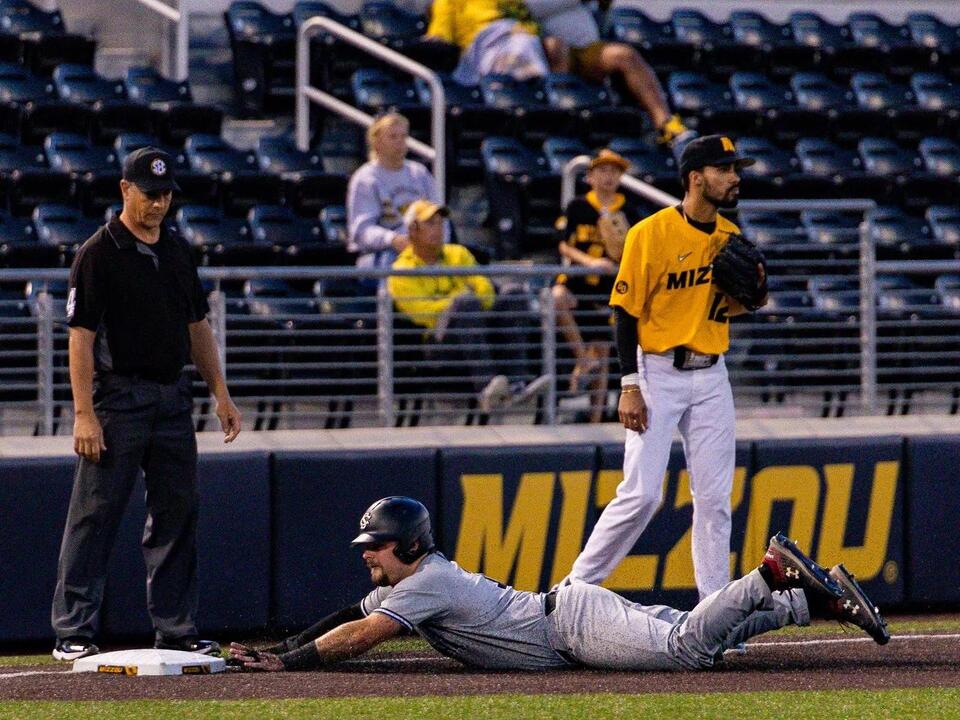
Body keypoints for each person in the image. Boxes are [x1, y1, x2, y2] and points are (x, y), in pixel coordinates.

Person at [227, 496, 889, 673]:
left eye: (374, 546)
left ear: (403, 545)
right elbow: (350, 613)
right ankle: (808, 599)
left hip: (569, 626)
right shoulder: (412, 582)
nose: (367, 556)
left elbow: (362, 636)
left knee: (690, 649)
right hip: (568, 617)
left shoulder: (424, 583)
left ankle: (770, 571)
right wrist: (283, 645)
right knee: (713, 644)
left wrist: (287, 663)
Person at [51, 147, 242, 662]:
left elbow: (197, 326)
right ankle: (73, 629)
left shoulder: (177, 250)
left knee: (176, 514)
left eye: (165, 195)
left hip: (172, 397)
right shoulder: (99, 252)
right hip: (118, 400)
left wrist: (219, 392)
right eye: (149, 194)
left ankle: (176, 628)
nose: (158, 204)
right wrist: (85, 412)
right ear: (124, 190)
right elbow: (81, 336)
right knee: (94, 515)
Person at [560, 135, 764, 600]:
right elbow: (624, 312)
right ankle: (572, 591)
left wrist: (755, 294)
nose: (735, 178)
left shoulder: (730, 238)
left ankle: (714, 609)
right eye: (725, 169)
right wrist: (629, 384)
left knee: (714, 501)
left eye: (736, 169)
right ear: (696, 178)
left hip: (712, 375)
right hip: (658, 372)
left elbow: (732, 306)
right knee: (643, 494)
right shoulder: (649, 233)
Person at [387, 199, 550, 413]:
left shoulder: (458, 253)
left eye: (440, 223)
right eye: (430, 223)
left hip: (477, 325)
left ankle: (516, 383)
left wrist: (464, 302)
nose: (438, 229)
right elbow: (423, 314)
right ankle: (486, 388)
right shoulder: (401, 270)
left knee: (513, 294)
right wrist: (458, 300)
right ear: (413, 230)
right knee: (465, 303)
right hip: (439, 345)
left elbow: (485, 289)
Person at [525, 0, 694, 146]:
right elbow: (528, 7)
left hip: (585, 49)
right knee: (555, 46)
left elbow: (602, 23)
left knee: (624, 55)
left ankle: (665, 123)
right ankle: (561, 119)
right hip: (543, 49)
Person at [553, 148, 641, 422]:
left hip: (610, 290)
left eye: (614, 171)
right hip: (578, 284)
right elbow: (564, 245)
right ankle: (582, 358)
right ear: (590, 176)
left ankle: (595, 417)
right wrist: (589, 263)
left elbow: (636, 253)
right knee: (557, 297)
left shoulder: (629, 209)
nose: (609, 176)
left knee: (603, 347)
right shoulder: (578, 206)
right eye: (602, 170)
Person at [346, 113, 440, 269]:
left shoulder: (420, 173)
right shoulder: (365, 179)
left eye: (403, 137)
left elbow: (439, 217)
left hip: (423, 250)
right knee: (393, 260)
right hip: (380, 255)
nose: (400, 142)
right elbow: (362, 232)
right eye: (393, 137)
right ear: (377, 143)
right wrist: (393, 239)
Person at [425, 0, 553, 87]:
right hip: (477, 49)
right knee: (520, 44)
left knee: (526, 41)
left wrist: (520, 28)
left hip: (512, 35)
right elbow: (439, 38)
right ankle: (506, 86)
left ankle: (538, 86)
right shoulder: (447, 2)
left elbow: (529, 23)